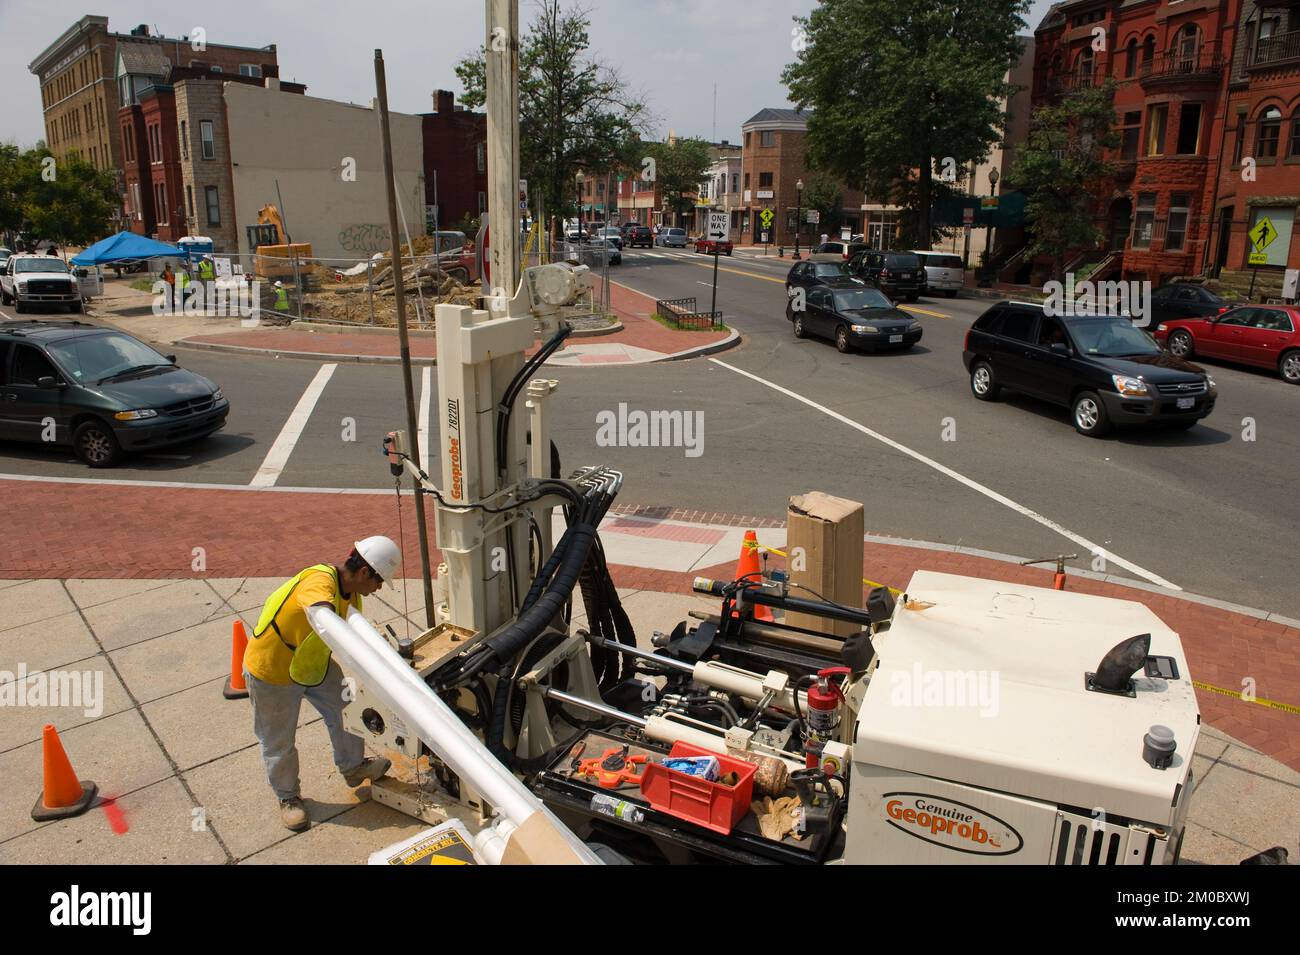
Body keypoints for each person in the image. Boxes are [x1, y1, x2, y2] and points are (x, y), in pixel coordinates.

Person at [244, 537, 402, 831]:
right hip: (273, 671)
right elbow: (320, 612)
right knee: (278, 741)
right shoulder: (319, 580)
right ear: (366, 572)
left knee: (347, 708)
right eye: (380, 582)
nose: (379, 589)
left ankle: (353, 767)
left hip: (312, 664)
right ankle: (288, 797)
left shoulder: (352, 597)